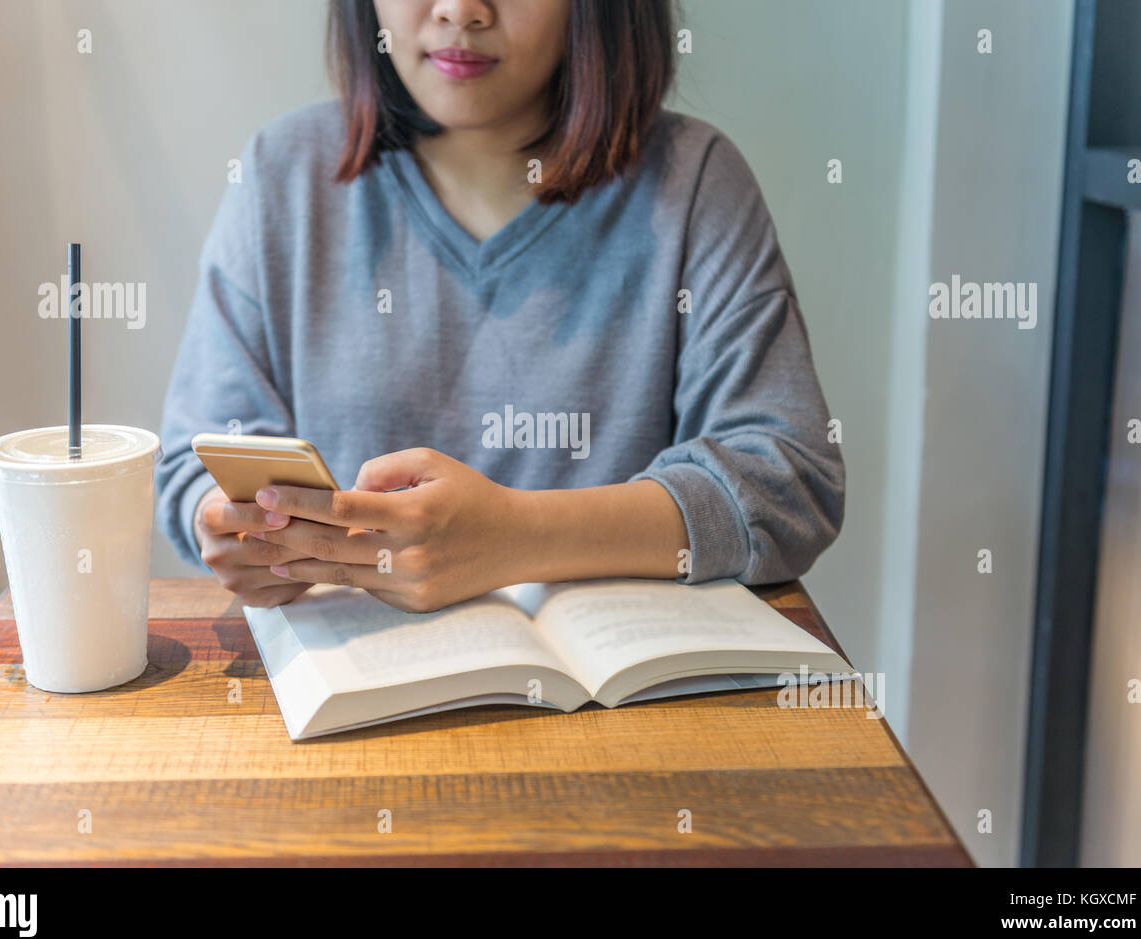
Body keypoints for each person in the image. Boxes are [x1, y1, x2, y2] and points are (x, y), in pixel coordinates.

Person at [155, 0, 844, 612]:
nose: (462, 11)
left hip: (625, 712)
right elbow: (195, 460)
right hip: (353, 698)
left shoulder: (693, 185)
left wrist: (517, 536)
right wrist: (228, 525)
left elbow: (788, 481)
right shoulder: (281, 175)